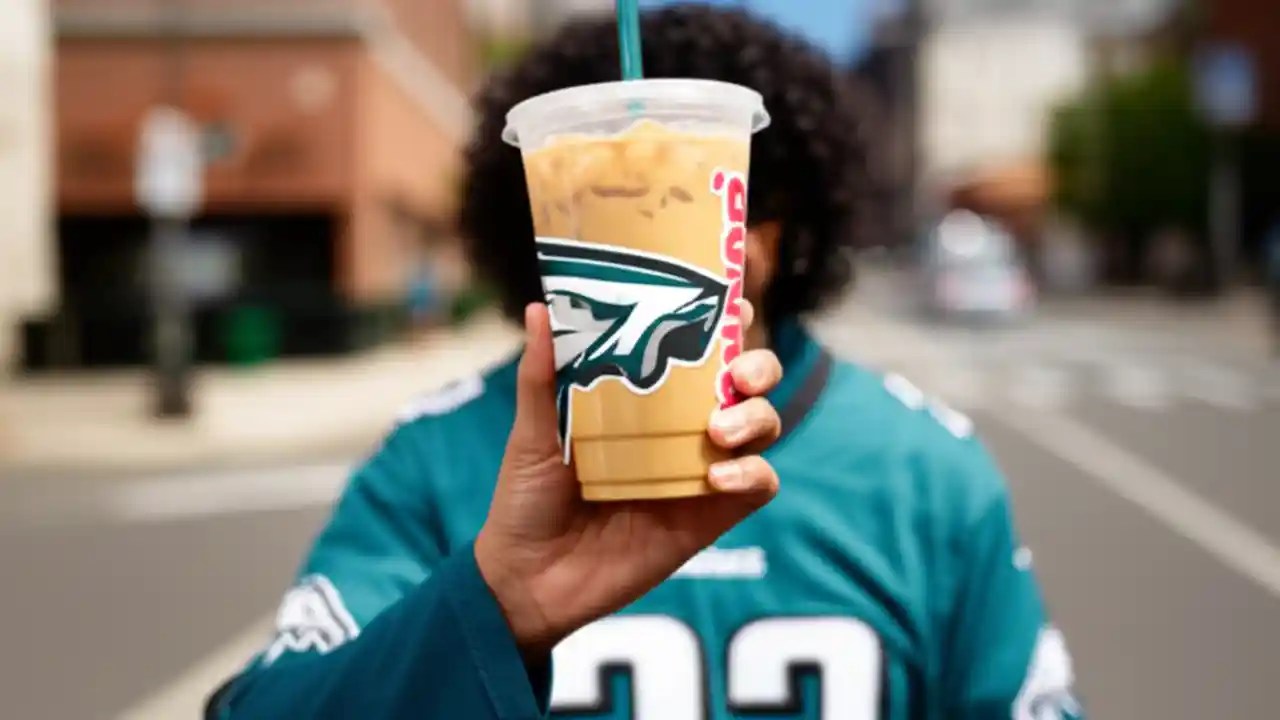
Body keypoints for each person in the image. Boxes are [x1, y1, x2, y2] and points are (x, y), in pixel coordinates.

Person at [207, 6, 1082, 719]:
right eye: (616, 206)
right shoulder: (434, 459)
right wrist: (494, 605)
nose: (674, 229)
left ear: (786, 224)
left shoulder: (927, 473)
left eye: (737, 192)